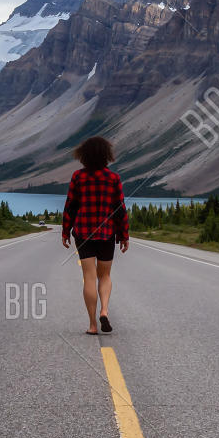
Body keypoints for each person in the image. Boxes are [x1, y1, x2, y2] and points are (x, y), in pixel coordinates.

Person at [61, 136, 129, 336]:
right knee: (105, 276)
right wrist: (124, 235)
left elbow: (70, 206)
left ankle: (92, 325)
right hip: (107, 233)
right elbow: (120, 209)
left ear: (84, 155)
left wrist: (65, 231)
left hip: (83, 233)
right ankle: (105, 311)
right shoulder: (113, 178)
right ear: (106, 155)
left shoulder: (78, 177)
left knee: (89, 277)